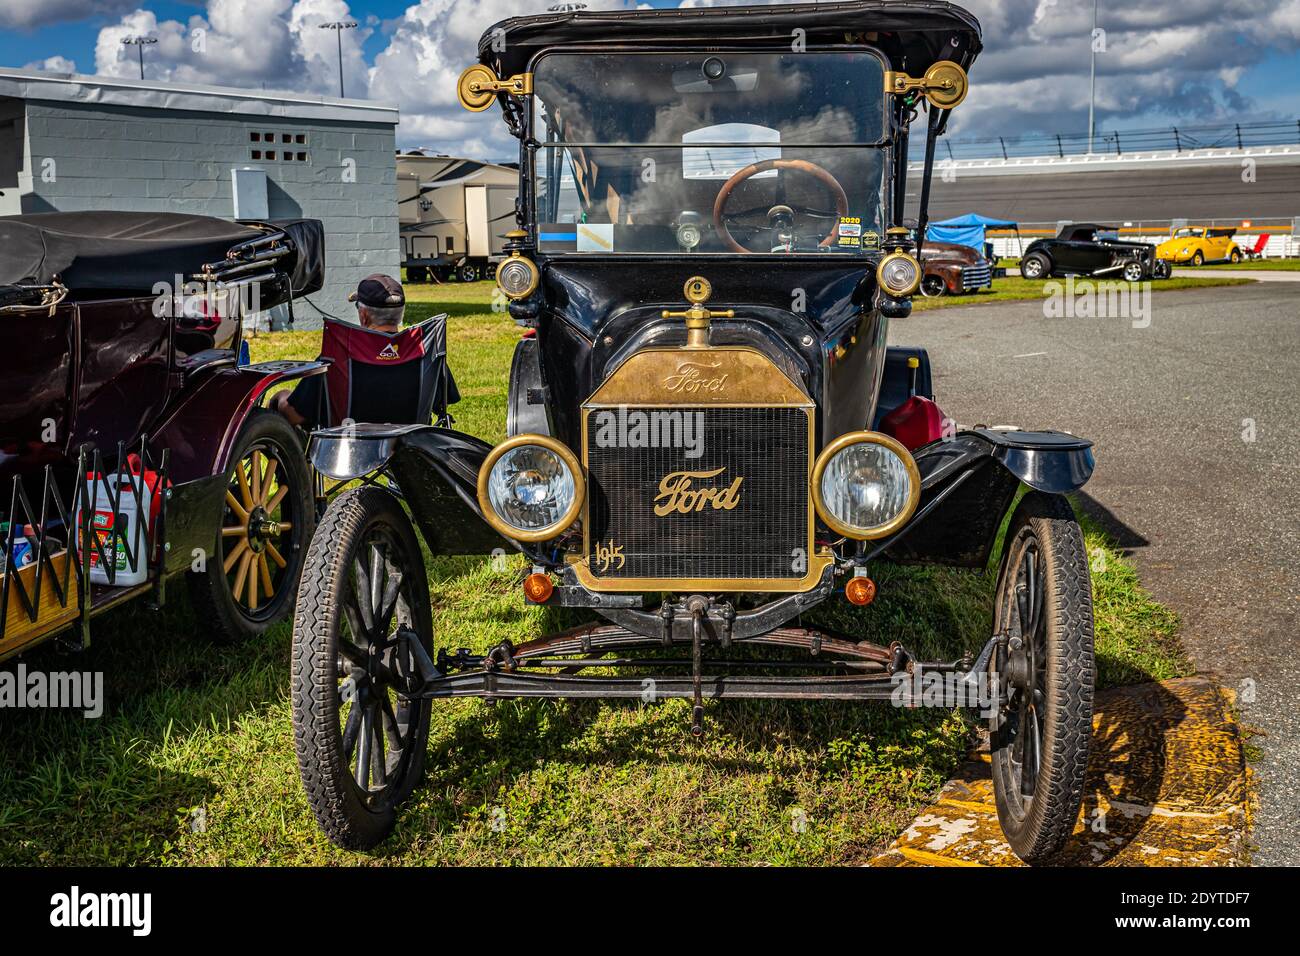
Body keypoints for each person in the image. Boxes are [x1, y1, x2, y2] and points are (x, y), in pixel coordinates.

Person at [271, 273, 406, 430]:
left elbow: (294, 415)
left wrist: (279, 398)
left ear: (364, 315)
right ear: (400, 314)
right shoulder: (420, 352)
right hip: (411, 448)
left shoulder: (339, 355)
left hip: (347, 450)